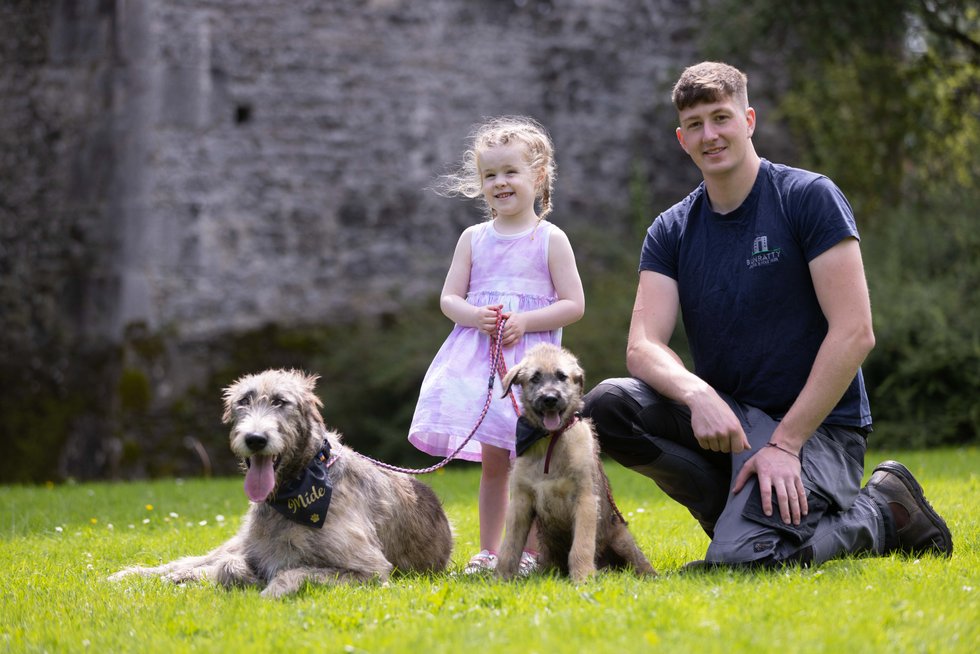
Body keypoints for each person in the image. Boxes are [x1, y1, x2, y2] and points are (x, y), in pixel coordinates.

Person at [582, 62, 952, 568]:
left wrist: (786, 443)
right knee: (609, 405)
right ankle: (741, 516)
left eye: (721, 118)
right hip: (728, 422)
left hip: (818, 430)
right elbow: (643, 345)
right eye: (696, 125)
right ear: (681, 138)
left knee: (746, 563)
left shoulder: (808, 198)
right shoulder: (670, 230)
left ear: (749, 120)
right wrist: (698, 394)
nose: (710, 135)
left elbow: (855, 333)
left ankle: (884, 509)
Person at [409, 115, 586, 574]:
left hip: (531, 377)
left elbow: (573, 304)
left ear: (538, 176)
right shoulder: (473, 239)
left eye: (511, 172)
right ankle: (490, 551)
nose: (500, 183)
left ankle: (526, 553)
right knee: (493, 464)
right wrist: (475, 316)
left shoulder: (550, 239)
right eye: (490, 175)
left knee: (529, 464)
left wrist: (525, 321)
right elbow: (449, 298)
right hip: (483, 372)